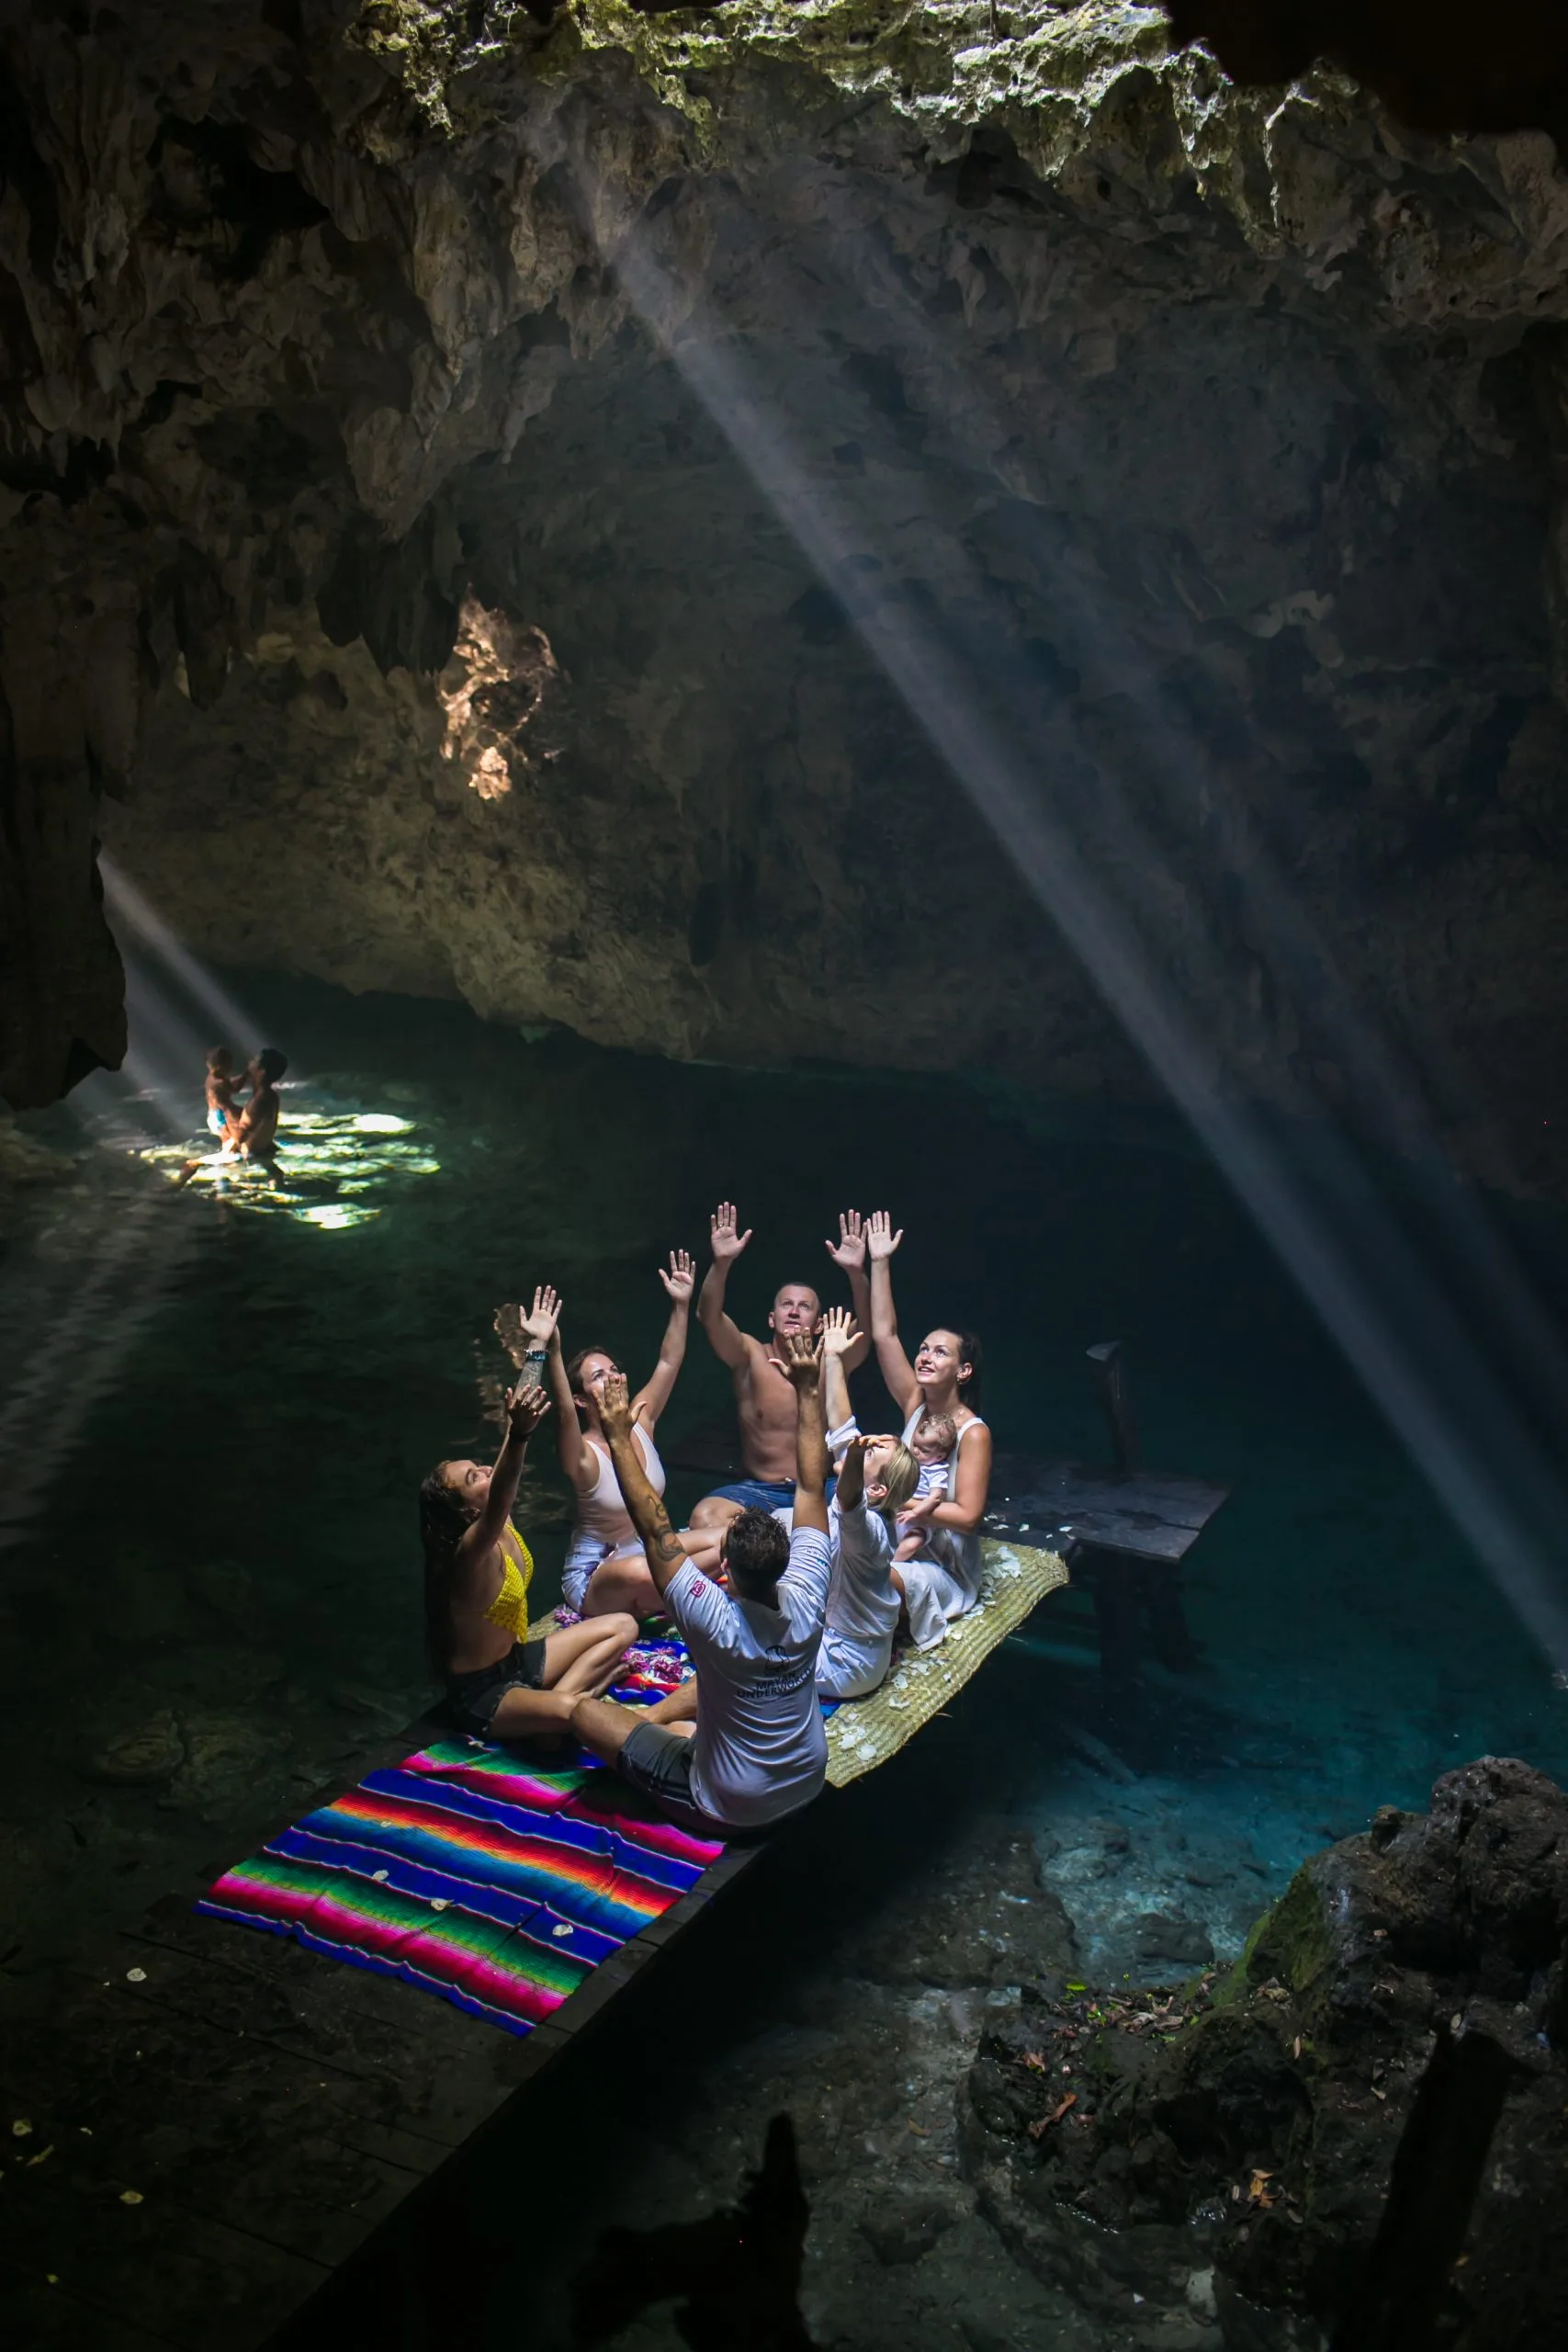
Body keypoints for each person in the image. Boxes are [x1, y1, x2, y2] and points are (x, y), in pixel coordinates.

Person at [568, 1333, 834, 1837]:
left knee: (585, 1715)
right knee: (704, 1702)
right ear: (788, 1561)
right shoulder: (809, 1588)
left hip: (731, 1804)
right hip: (807, 1779)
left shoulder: (712, 1620)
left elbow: (655, 1530)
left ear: (725, 1569)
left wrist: (618, 1437)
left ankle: (673, 1766)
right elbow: (811, 1486)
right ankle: (675, 1729)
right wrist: (808, 1389)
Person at [420, 1379, 637, 1739]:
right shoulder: (469, 1554)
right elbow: (505, 1482)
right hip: (483, 1693)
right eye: (474, 1477)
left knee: (624, 1626)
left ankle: (554, 1704)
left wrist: (535, 1355)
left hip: (517, 1662)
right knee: (579, 1715)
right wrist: (520, 1436)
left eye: (480, 1465)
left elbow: (510, 1442)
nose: (486, 1470)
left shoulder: (498, 1518)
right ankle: (562, 1707)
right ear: (464, 1512)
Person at [501, 1263, 706, 1622]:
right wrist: (550, 1349)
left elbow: (668, 1362)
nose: (611, 1378)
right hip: (599, 1573)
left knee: (727, 1537)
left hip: (651, 1551)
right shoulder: (583, 1455)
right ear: (582, 1399)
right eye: (598, 1376)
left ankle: (666, 1593)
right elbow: (564, 1411)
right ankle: (668, 1592)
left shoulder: (641, 1421)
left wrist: (681, 1305)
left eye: (613, 1370)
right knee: (654, 1571)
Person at [864, 1209, 992, 1650]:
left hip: (944, 1566)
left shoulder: (973, 1433)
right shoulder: (914, 1404)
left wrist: (897, 1498)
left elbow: (969, 1518)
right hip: (897, 1538)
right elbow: (885, 1335)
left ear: (963, 1370)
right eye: (923, 1348)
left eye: (940, 1352)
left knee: (875, 1581)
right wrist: (879, 1262)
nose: (924, 1356)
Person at [695, 1201, 872, 1515]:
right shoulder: (749, 1355)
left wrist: (857, 1274)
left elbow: (871, 1325)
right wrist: (721, 1263)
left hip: (823, 1486)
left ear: (819, 1325)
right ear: (771, 1318)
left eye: (804, 1307)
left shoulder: (834, 1358)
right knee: (705, 1516)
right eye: (786, 1305)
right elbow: (708, 1316)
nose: (793, 1311)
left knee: (867, 1508)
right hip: (762, 1490)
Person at [816, 1309, 919, 1700]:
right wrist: (833, 1357)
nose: (862, 1446)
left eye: (870, 1452)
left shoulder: (870, 1530)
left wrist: (856, 1457)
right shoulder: (863, 1483)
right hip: (841, 1645)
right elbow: (842, 1423)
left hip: (847, 1664)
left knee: (740, 1660)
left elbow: (848, 1497)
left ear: (876, 1490)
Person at [222, 1047, 287, 1162]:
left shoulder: (257, 1102)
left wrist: (227, 1108)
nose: (250, 1061)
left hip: (251, 1156)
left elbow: (241, 1138)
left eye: (254, 1061)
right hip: (266, 1149)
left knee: (192, 1164)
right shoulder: (271, 1096)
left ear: (261, 1071)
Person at [203, 1046, 245, 1138]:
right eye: (229, 1065)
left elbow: (229, 1084)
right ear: (221, 1067)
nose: (231, 1068)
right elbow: (235, 1089)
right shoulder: (221, 1082)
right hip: (222, 1118)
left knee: (227, 1139)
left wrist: (242, 1077)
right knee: (239, 1136)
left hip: (212, 1116)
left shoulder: (211, 1078)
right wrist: (246, 1075)